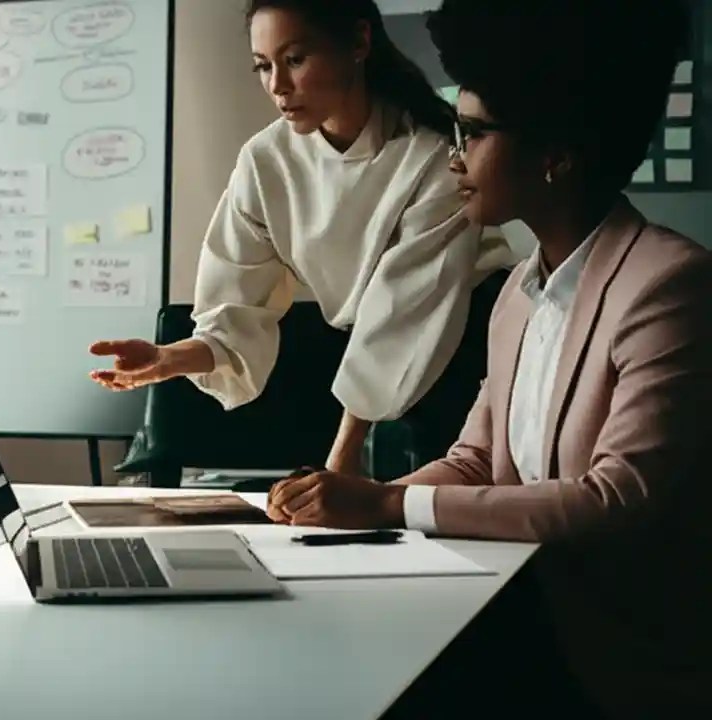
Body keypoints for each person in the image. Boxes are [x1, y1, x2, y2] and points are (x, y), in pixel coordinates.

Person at [267, 0, 710, 716]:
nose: (454, 157)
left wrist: (384, 500)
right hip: (519, 617)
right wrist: (353, 514)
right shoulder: (518, 293)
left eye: (472, 135)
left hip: (617, 663)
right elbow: (475, 460)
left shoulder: (669, 285)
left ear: (556, 157)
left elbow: (615, 498)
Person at [89, 0, 513, 475]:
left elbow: (401, 319)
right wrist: (169, 359)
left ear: (358, 43)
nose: (278, 86)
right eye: (264, 66)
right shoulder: (266, 160)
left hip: (469, 364)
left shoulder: (434, 155)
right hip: (373, 373)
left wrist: (340, 463)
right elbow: (237, 305)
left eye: (294, 60)